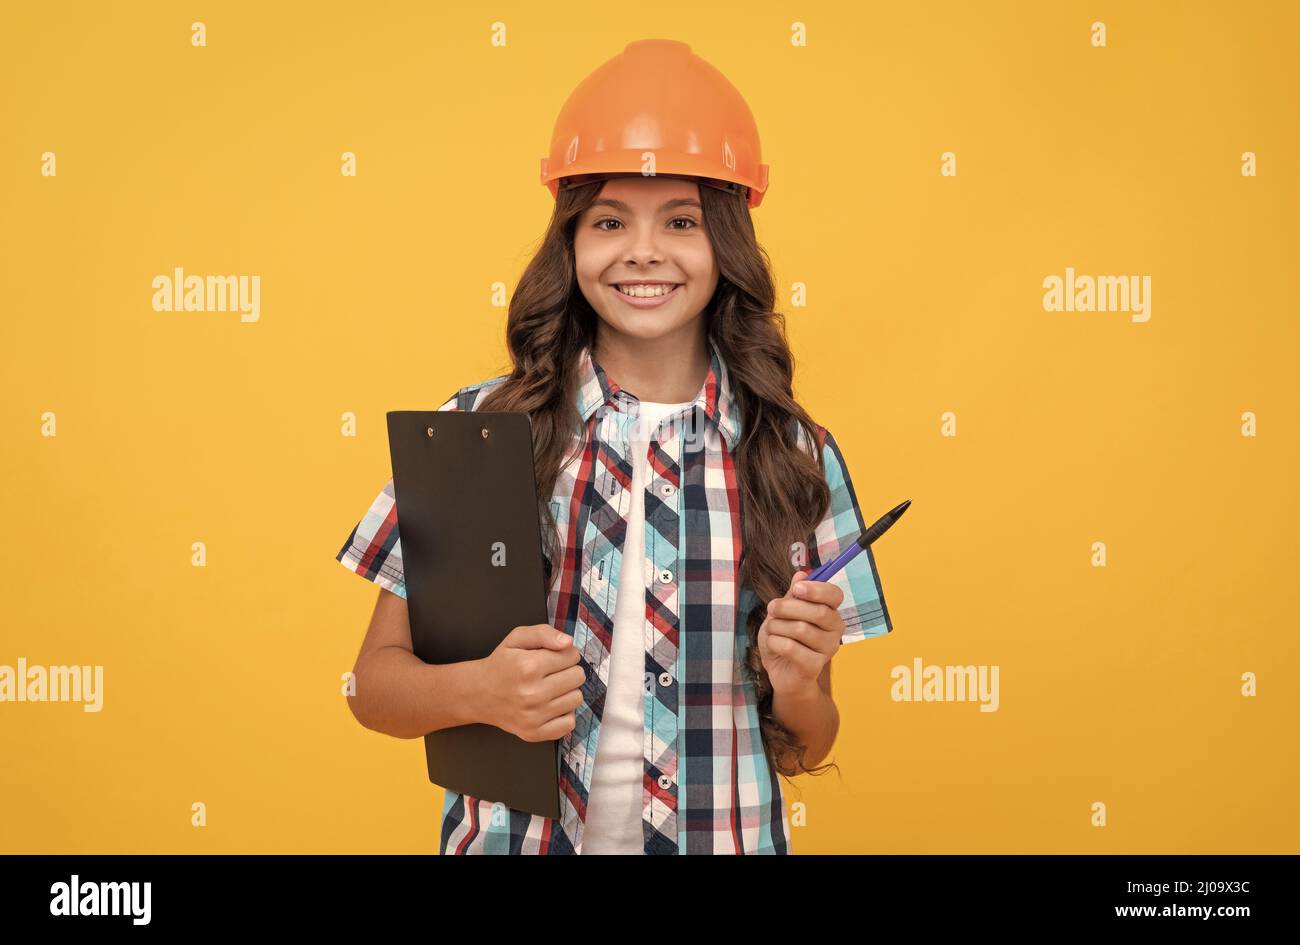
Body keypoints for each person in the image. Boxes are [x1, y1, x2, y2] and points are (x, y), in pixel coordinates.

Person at [334, 39, 892, 855]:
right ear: (570, 240)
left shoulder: (791, 453)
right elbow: (370, 687)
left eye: (682, 221)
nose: (643, 251)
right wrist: (482, 690)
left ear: (728, 243)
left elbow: (809, 744)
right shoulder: (477, 432)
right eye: (608, 221)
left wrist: (798, 681)